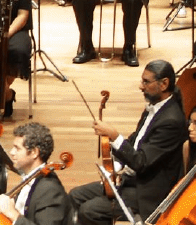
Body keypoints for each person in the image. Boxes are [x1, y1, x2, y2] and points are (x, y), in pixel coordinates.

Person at [71, 60, 187, 225]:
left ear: (164, 84)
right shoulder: (155, 106)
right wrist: (115, 168)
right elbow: (135, 140)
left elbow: (141, 162)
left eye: (146, 82)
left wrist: (114, 135)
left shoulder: (171, 121)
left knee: (90, 211)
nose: (141, 86)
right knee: (75, 195)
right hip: (131, 179)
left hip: (147, 192)